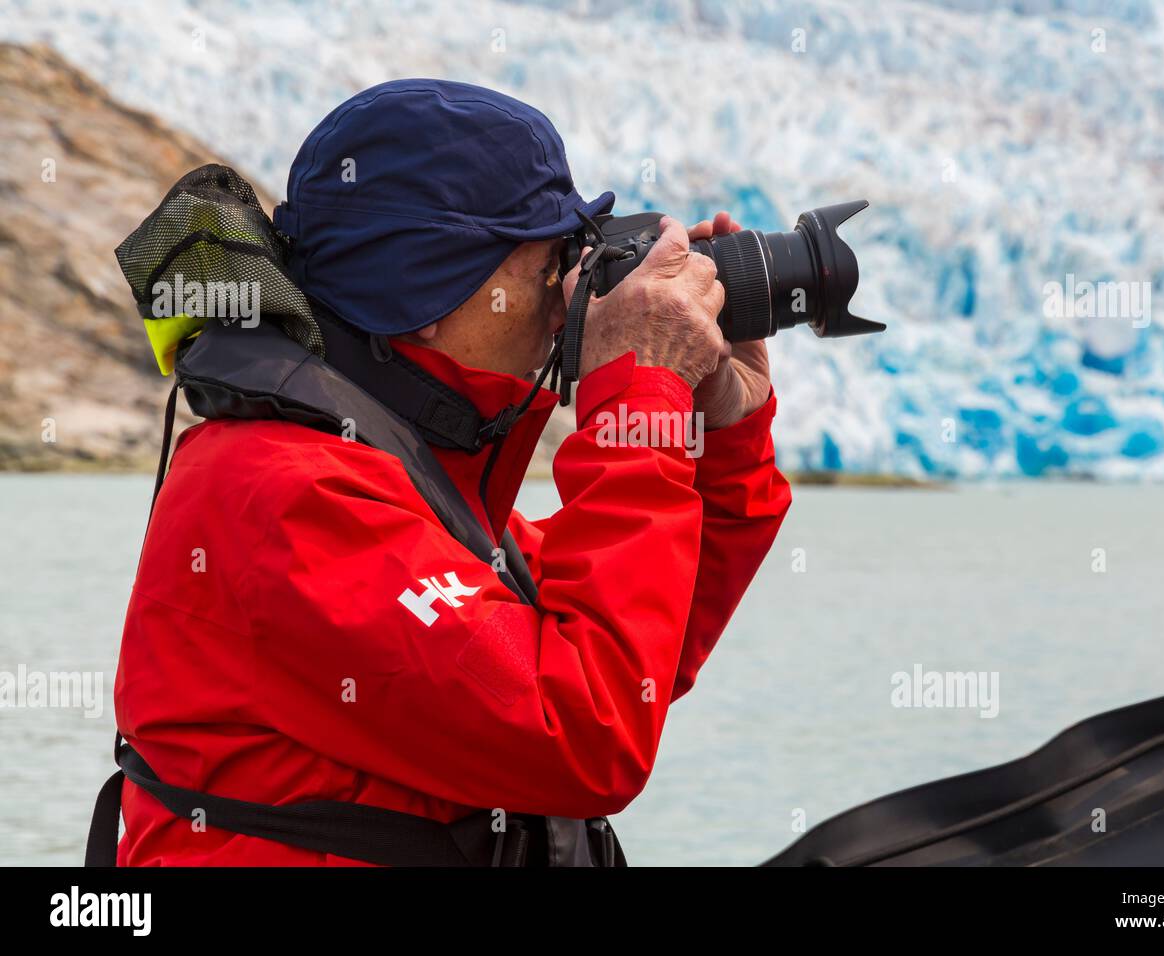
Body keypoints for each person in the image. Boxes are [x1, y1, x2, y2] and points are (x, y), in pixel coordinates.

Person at [111, 79, 791, 866]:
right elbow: (583, 728)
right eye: (549, 265)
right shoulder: (280, 493)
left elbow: (636, 650)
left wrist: (722, 429)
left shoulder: (409, 485)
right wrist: (638, 399)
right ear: (422, 287)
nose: (569, 297)